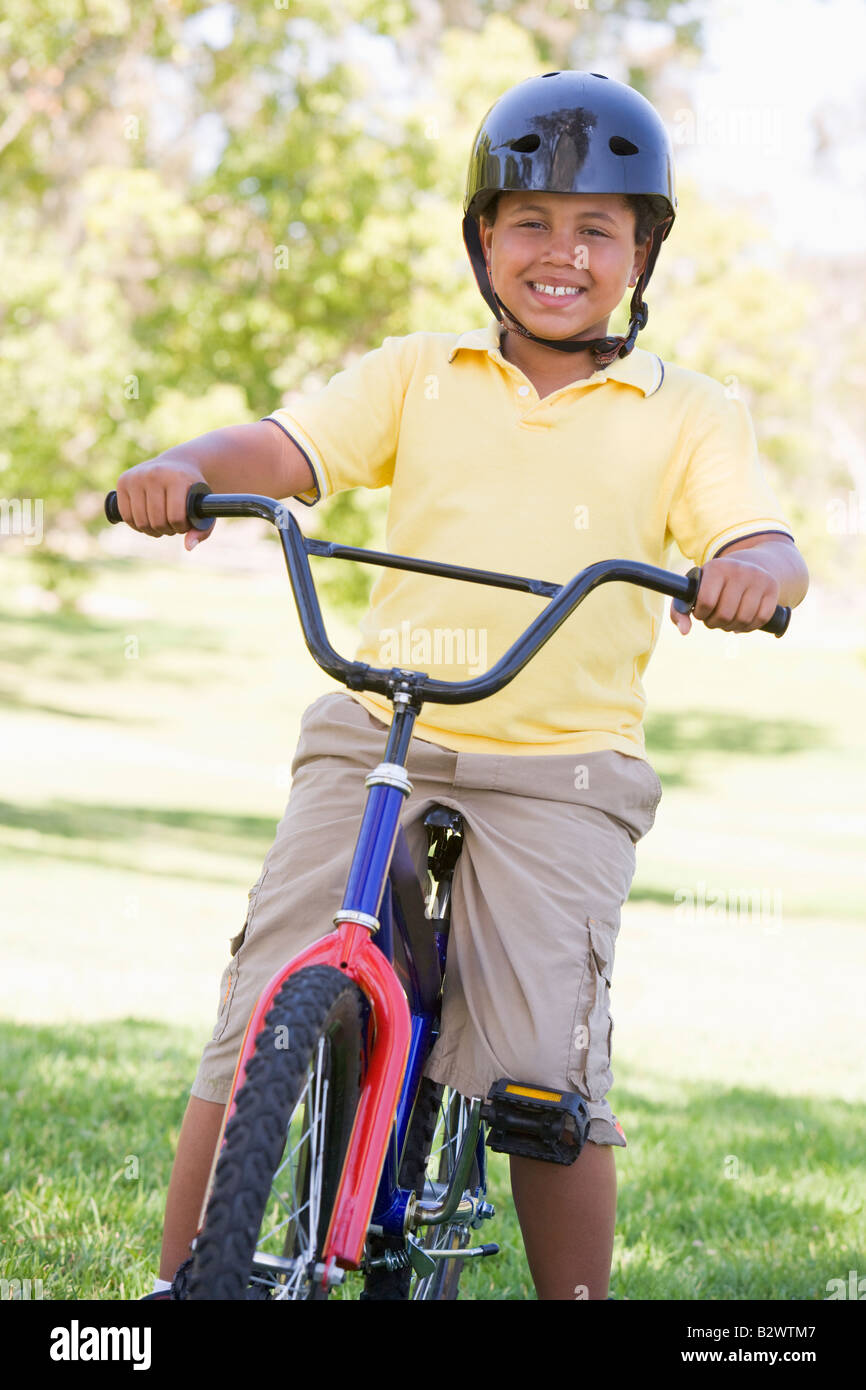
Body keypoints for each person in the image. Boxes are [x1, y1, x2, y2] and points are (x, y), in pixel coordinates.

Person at [117, 71, 809, 1301]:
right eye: (529, 222)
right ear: (481, 238)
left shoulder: (687, 412)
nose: (560, 252)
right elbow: (283, 453)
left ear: (643, 252)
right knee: (267, 992)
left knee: (545, 1067)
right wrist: (182, 464)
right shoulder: (415, 371)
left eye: (597, 227)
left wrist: (752, 570)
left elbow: (755, 538)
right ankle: (185, 1290)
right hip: (381, 723)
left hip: (563, 764)